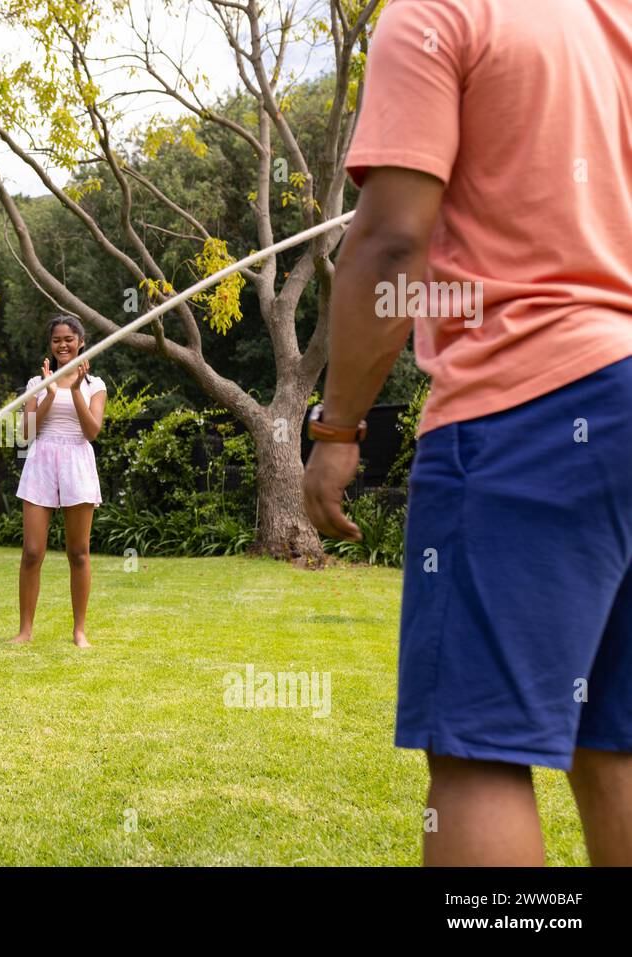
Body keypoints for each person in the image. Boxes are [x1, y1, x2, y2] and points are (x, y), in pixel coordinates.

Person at [303, 0, 632, 865]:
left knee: (480, 752)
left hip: (529, 404)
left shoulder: (437, 12)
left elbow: (391, 245)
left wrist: (338, 428)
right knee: (617, 734)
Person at [11, 315, 107, 648]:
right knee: (32, 552)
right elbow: (25, 433)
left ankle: (79, 630)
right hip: (41, 462)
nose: (62, 344)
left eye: (69, 339)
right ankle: (25, 631)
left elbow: (91, 432)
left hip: (77, 462)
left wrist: (76, 390)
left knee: (79, 552)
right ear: (50, 344)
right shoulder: (35, 383)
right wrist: (49, 391)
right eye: (56, 340)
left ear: (81, 341)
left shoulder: (95, 385)